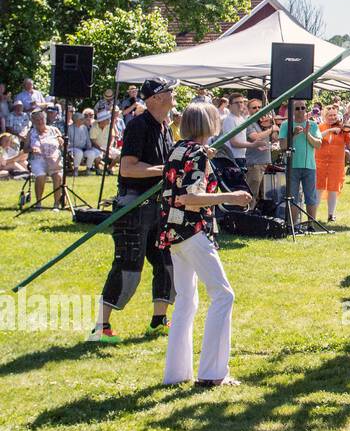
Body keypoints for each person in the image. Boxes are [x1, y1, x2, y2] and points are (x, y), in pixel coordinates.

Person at [158, 103, 254, 386]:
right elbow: (190, 197)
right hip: (193, 231)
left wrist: (205, 158)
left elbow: (183, 179)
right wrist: (231, 196)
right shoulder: (197, 154)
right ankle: (213, 373)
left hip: (173, 232)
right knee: (223, 295)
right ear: (208, 124)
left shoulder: (178, 149)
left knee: (187, 301)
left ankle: (175, 374)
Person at [93, 77, 177, 342]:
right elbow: (128, 168)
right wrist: (164, 171)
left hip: (158, 207)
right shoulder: (138, 126)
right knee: (128, 266)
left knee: (166, 263)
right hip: (134, 206)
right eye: (167, 91)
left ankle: (158, 320)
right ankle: (101, 326)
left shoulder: (165, 127)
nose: (173, 94)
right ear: (153, 99)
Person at [278, 99, 321, 226]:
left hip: (309, 166)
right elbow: (283, 145)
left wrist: (307, 134)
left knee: (311, 197)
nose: (301, 111)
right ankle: (293, 226)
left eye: (303, 108)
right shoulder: (286, 124)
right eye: (297, 108)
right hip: (292, 166)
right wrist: (294, 134)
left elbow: (318, 144)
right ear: (292, 110)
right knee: (293, 198)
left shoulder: (312, 125)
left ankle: (310, 226)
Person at [315, 104, 350, 222]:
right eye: (330, 115)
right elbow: (317, 138)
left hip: (336, 163)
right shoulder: (320, 127)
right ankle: (313, 214)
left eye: (334, 115)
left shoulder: (342, 129)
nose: (332, 117)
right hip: (320, 162)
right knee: (318, 188)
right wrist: (330, 130)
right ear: (325, 116)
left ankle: (331, 215)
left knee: (333, 188)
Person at [25, 109, 66, 209]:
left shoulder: (54, 130)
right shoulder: (31, 133)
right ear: (33, 121)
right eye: (37, 120)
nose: (40, 121)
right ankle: (38, 203)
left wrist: (62, 142)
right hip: (38, 159)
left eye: (42, 119)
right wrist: (31, 149)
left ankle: (56, 204)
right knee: (41, 175)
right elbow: (25, 149)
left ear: (45, 119)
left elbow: (64, 146)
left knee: (58, 176)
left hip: (54, 159)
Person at [241, 97, 275, 201]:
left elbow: (275, 138)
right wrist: (271, 129)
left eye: (260, 107)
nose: (258, 109)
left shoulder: (261, 123)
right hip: (254, 164)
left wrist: (271, 125)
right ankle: (248, 213)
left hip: (264, 162)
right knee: (252, 193)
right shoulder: (249, 122)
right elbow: (254, 137)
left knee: (263, 195)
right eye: (254, 107)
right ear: (248, 110)